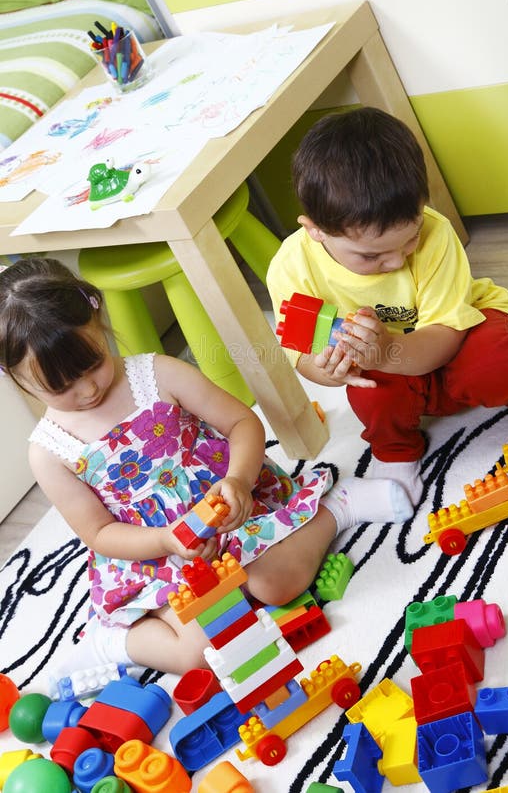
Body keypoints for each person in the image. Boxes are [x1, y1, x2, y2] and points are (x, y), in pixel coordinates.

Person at [0, 257, 412, 677]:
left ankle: (335, 508)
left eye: (94, 364)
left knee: (274, 585)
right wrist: (166, 540)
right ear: (14, 378)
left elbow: (241, 423)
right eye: (61, 387)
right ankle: (113, 644)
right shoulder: (50, 452)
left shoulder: (156, 374)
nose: (87, 389)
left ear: (97, 318)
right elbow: (101, 534)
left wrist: (238, 480)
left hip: (240, 512)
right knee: (196, 655)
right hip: (157, 555)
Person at [267, 107, 508, 505]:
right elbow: (303, 356)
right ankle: (397, 451)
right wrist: (332, 371)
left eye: (410, 238)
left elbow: (446, 336)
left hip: (455, 339)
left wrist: (386, 350)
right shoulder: (291, 269)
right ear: (314, 229)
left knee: (495, 357)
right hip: (393, 371)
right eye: (371, 256)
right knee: (368, 392)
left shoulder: (436, 233)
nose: (397, 261)